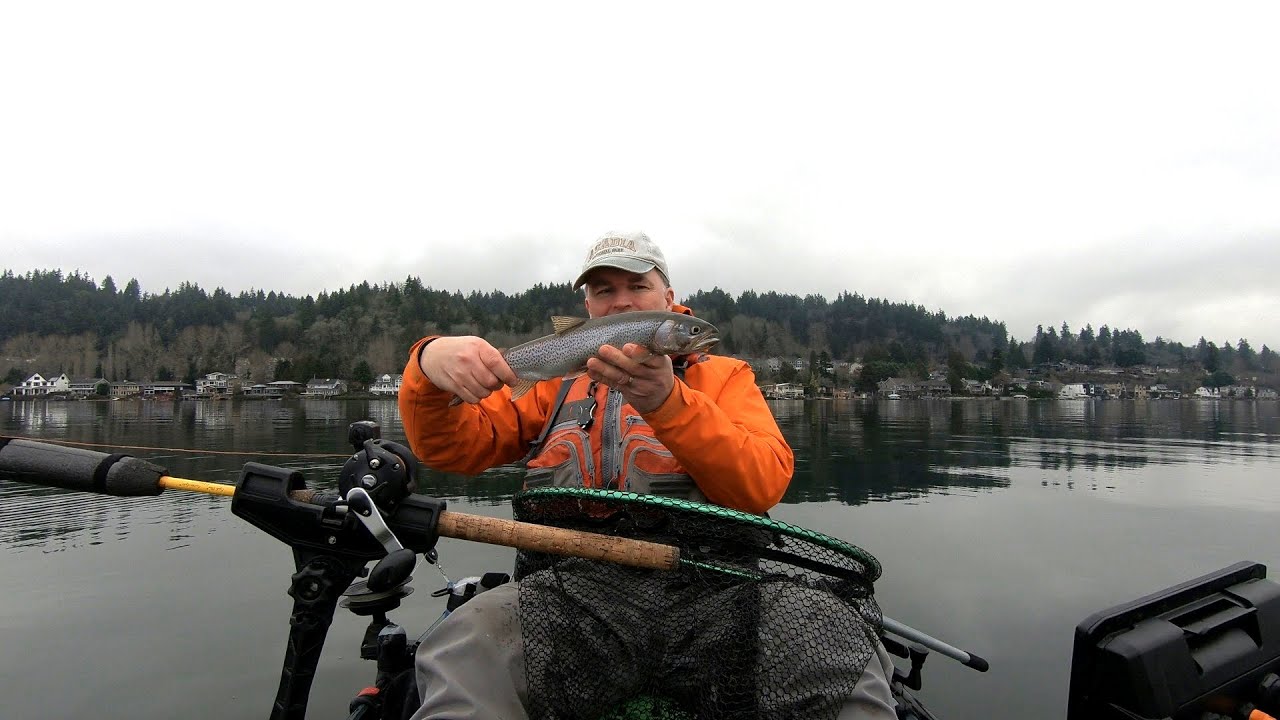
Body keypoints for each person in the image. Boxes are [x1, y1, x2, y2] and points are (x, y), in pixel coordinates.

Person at [397, 231, 896, 719]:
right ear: (588, 308)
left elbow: (762, 483)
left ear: (667, 298)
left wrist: (668, 401)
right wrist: (427, 366)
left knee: (837, 648)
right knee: (464, 647)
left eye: (638, 286)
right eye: (604, 291)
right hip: (570, 599)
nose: (622, 301)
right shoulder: (551, 386)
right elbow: (451, 448)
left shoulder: (726, 377)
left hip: (719, 595)